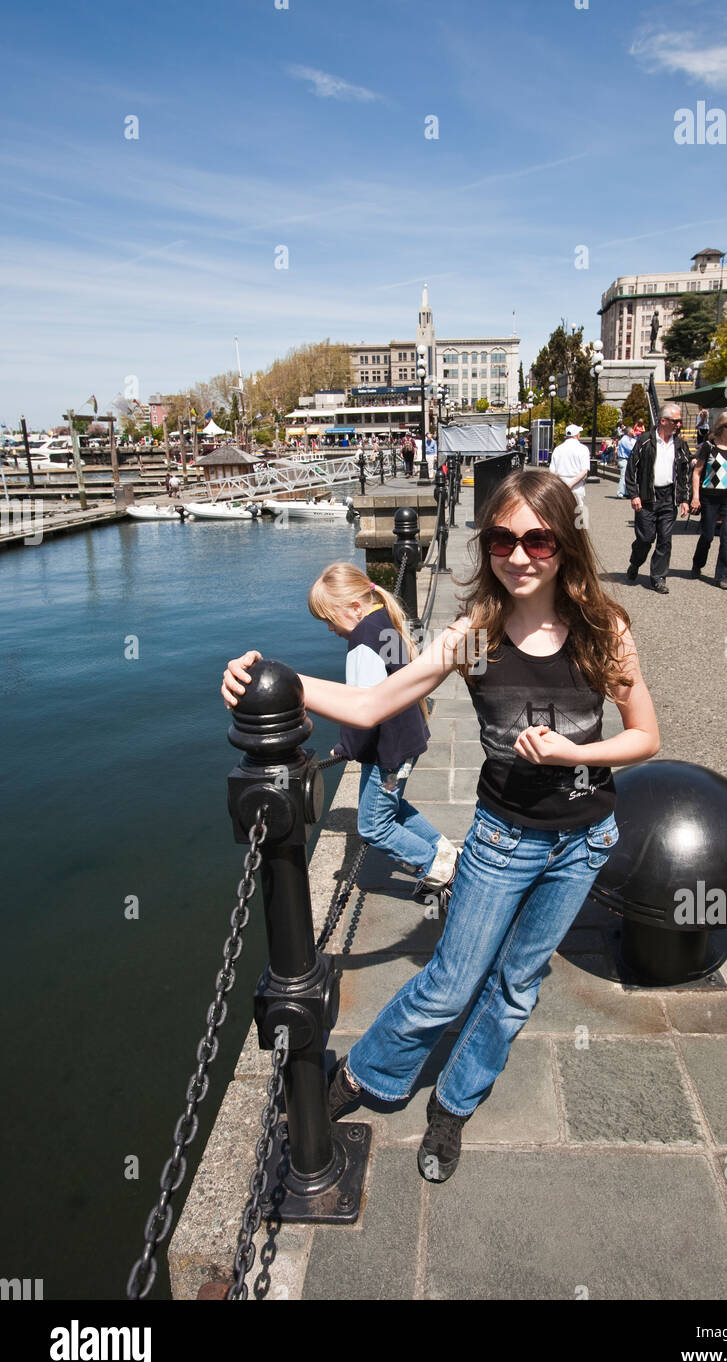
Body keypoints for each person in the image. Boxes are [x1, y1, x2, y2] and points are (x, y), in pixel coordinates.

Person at [221, 471, 660, 1183]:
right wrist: (279, 678)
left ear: (565, 543)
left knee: (518, 985)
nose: (519, 556)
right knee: (452, 982)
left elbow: (645, 736)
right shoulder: (473, 637)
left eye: (538, 539)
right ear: (486, 545)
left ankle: (454, 1102)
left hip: (584, 842)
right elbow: (373, 705)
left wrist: (579, 752)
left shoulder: (602, 628)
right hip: (502, 840)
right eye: (502, 539)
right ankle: (366, 1077)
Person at [303, 564, 459, 905]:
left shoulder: (362, 640)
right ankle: (444, 852)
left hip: (387, 753)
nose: (329, 628)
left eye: (329, 619)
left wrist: (347, 746)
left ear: (355, 608)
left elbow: (363, 708)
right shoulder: (384, 621)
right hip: (405, 742)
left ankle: (439, 869)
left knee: (373, 827)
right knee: (390, 807)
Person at [624, 403, 692, 594]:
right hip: (647, 497)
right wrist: (634, 494)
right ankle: (635, 562)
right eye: (676, 421)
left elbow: (685, 471)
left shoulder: (680, 444)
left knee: (665, 539)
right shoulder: (645, 440)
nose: (679, 424)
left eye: (679, 421)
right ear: (663, 421)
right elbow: (631, 469)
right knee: (645, 538)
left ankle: (658, 577)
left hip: (668, 498)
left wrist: (685, 498)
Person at [689, 410, 727, 589]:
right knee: (707, 535)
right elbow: (697, 472)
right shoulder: (709, 446)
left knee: (726, 537)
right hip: (709, 496)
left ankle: (721, 576)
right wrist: (695, 497)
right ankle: (697, 563)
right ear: (721, 427)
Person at [549, 424, 590, 512]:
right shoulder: (583, 449)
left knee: (561, 512)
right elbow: (584, 471)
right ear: (577, 435)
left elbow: (552, 471)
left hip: (560, 483)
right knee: (577, 514)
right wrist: (571, 484)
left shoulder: (558, 449)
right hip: (577, 484)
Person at [616, 425, 636, 498]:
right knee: (623, 476)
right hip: (624, 460)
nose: (634, 432)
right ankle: (620, 493)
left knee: (627, 477)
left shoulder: (629, 439)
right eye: (632, 430)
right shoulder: (625, 440)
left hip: (626, 460)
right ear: (628, 432)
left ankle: (626, 492)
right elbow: (631, 449)